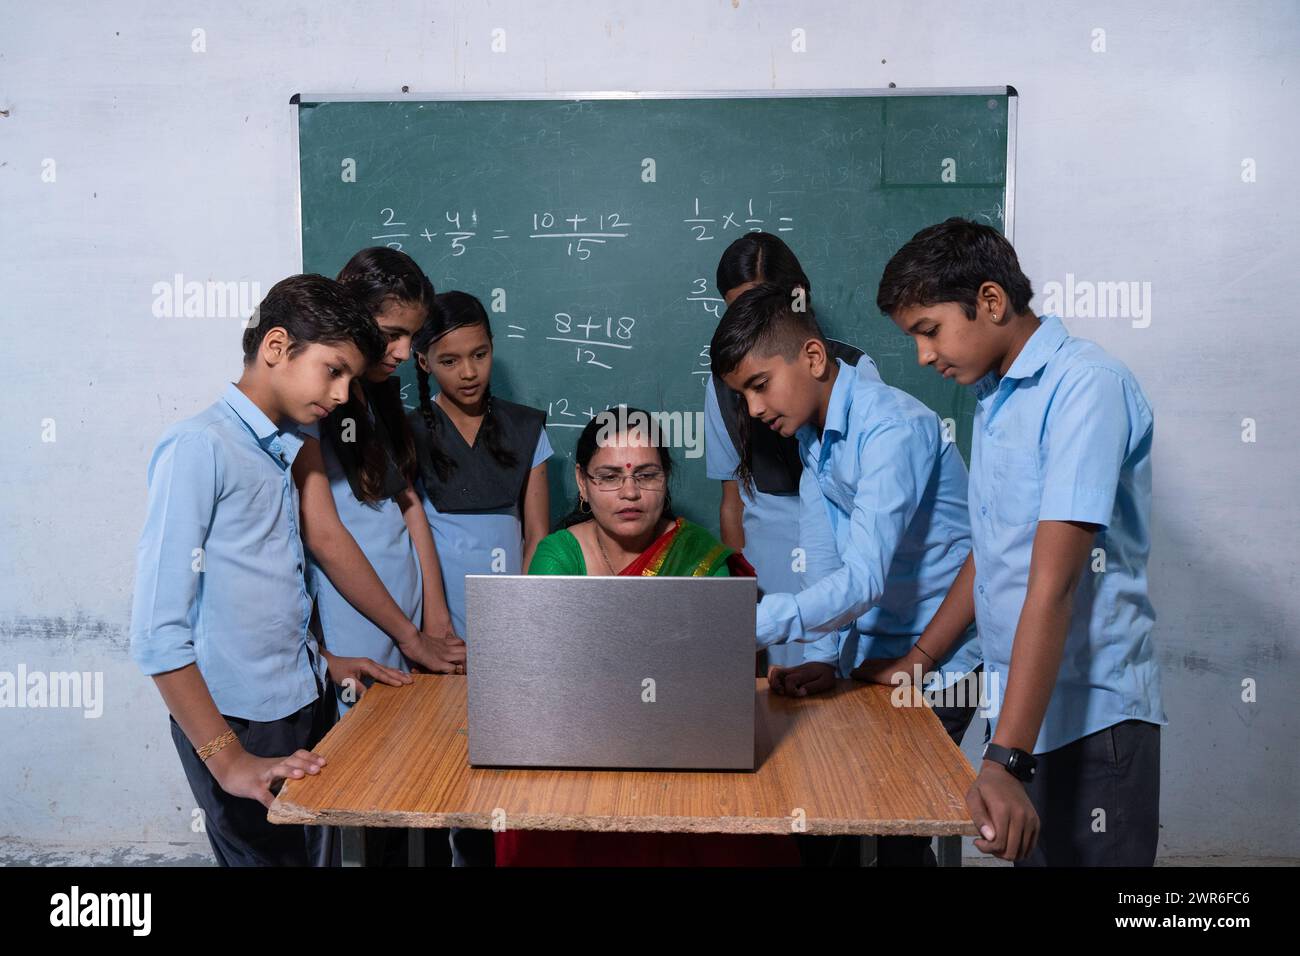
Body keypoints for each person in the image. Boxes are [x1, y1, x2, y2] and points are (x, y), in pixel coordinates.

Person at [877, 217, 1165, 865]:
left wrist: (1005, 758)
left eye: (929, 330)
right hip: (1023, 717)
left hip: (1092, 721)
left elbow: (1054, 583)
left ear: (990, 300)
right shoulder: (996, 398)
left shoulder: (1086, 386)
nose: (923, 355)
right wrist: (920, 660)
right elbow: (993, 552)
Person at [129, 274, 405, 866]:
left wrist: (321, 662)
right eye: (334, 371)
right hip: (238, 723)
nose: (342, 394)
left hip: (303, 703)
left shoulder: (284, 446)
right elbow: (156, 632)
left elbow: (256, 592)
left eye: (351, 379)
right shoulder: (199, 446)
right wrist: (228, 759)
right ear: (277, 347)